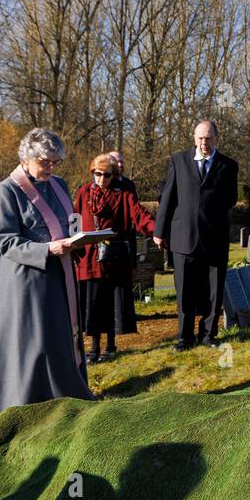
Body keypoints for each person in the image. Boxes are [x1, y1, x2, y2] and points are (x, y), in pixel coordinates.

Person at [0, 128, 93, 415]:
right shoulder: (7, 190)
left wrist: (81, 239)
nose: (51, 167)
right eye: (46, 162)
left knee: (57, 339)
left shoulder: (59, 184)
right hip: (25, 283)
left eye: (55, 162)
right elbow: (6, 242)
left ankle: (63, 396)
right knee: (32, 344)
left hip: (59, 276)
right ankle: (25, 400)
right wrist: (48, 249)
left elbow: (70, 222)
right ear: (27, 158)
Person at [155, 119, 239, 350]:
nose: (204, 142)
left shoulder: (228, 165)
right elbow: (168, 198)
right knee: (185, 291)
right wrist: (159, 231)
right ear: (194, 138)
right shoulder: (179, 161)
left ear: (216, 139)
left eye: (209, 138)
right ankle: (184, 337)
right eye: (200, 138)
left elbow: (230, 199)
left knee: (213, 290)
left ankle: (208, 335)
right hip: (184, 236)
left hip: (214, 237)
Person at [73, 154, 156, 363]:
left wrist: (157, 230)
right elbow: (73, 219)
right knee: (92, 303)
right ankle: (93, 347)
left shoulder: (123, 194)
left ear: (114, 175)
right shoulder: (84, 193)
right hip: (89, 257)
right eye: (97, 174)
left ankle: (110, 345)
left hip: (113, 256)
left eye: (106, 175)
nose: (101, 179)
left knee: (110, 302)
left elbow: (139, 215)